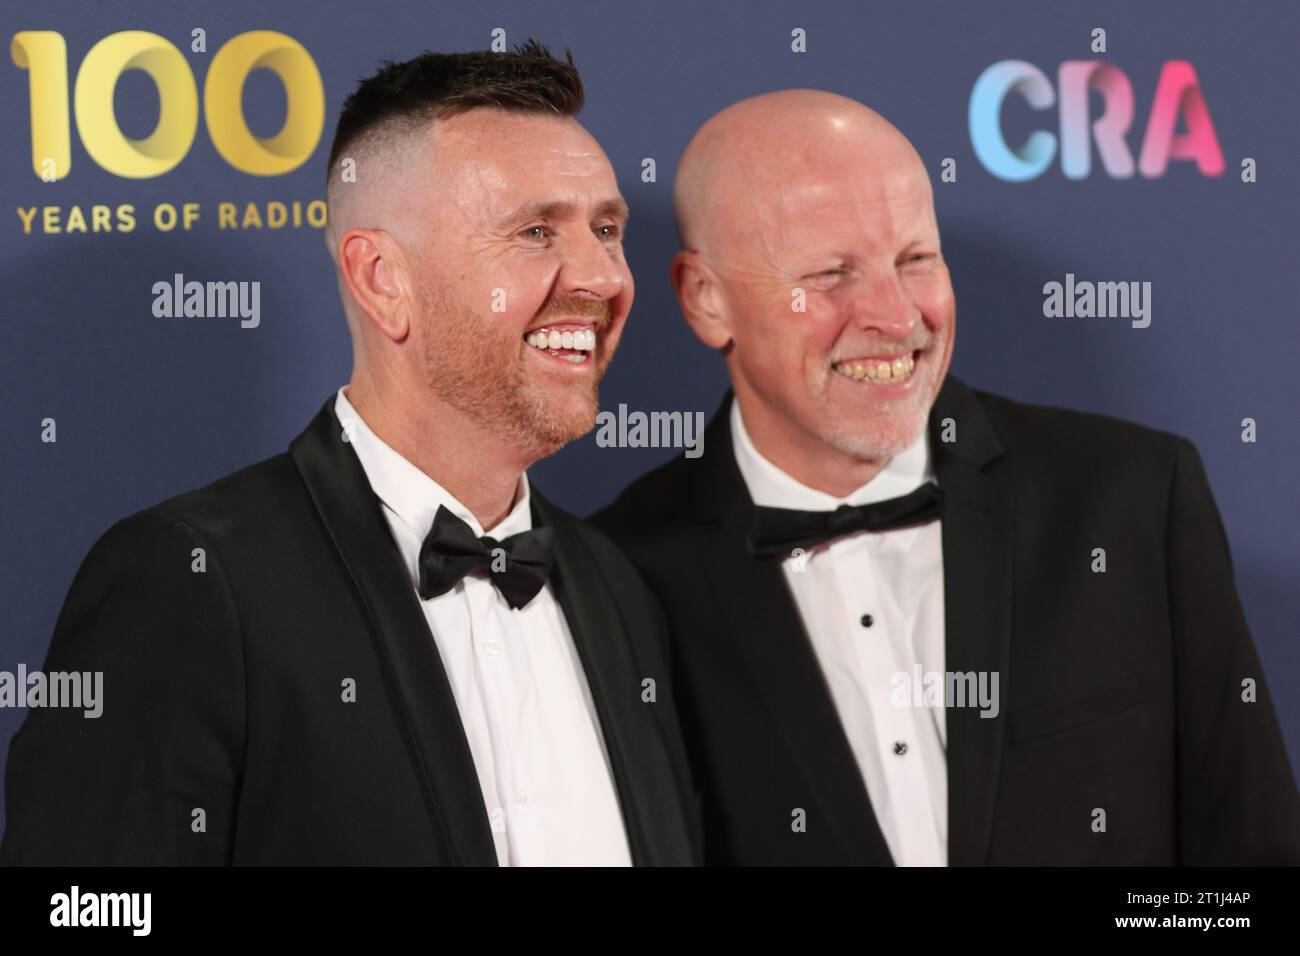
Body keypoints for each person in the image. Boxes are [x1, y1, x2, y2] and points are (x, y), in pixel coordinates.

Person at [1, 42, 700, 866]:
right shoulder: (193, 581)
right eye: (535, 230)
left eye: (607, 229)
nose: (601, 276)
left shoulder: (619, 589)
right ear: (381, 280)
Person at [593, 89, 1300, 865]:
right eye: (832, 274)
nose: (897, 318)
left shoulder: (1130, 497)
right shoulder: (616, 577)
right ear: (706, 300)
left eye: (915, 260)